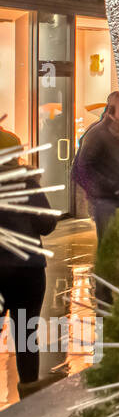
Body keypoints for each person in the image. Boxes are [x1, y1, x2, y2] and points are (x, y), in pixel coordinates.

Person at [0, 130, 60, 394]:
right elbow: (47, 223)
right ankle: (29, 398)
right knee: (26, 338)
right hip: (28, 273)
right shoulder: (27, 183)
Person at [71, 91, 119, 242]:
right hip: (107, 202)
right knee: (111, 248)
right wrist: (110, 189)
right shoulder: (96, 134)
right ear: (111, 110)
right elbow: (80, 170)